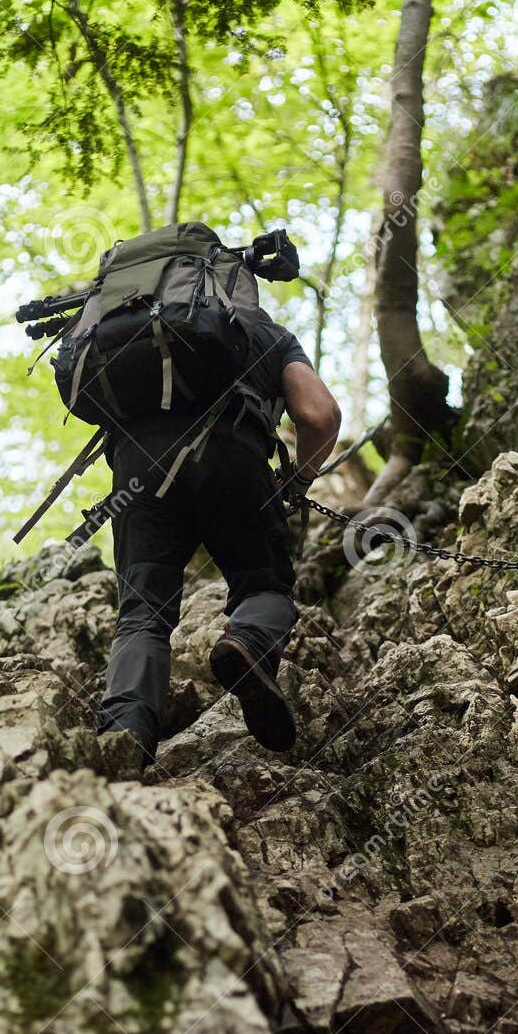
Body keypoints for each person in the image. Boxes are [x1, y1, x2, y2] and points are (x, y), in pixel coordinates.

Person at [96, 310, 341, 771]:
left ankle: (122, 738)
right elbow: (319, 415)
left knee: (141, 617)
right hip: (232, 454)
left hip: (136, 467)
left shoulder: (129, 333)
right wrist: (296, 483)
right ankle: (248, 641)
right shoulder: (266, 334)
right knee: (264, 586)